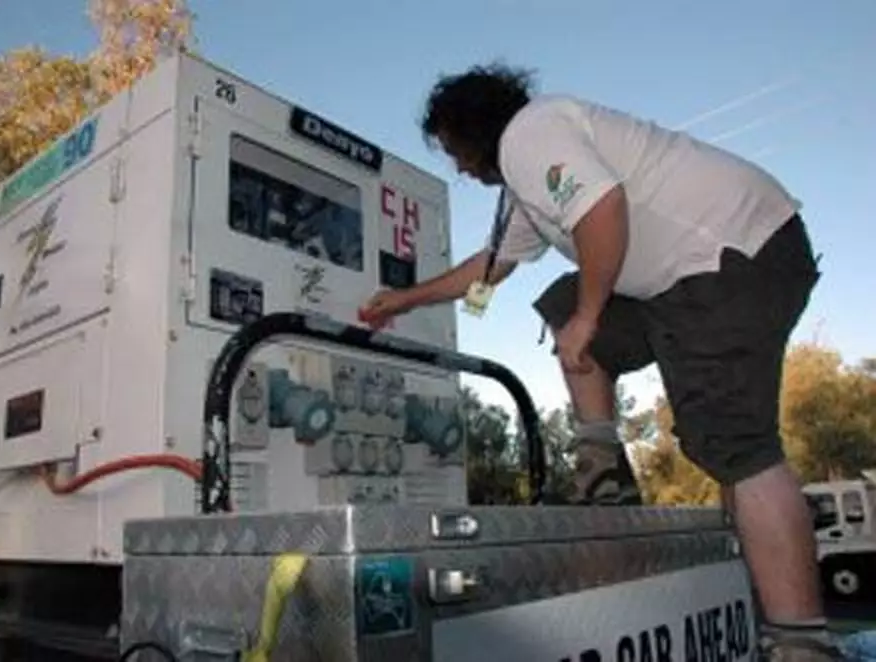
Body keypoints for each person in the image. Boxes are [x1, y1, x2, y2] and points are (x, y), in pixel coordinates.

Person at [359, 63, 839, 660]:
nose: (457, 167)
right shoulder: (526, 191)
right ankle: (602, 462)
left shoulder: (531, 134)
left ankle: (802, 642)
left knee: (735, 445)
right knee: (561, 305)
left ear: (472, 129)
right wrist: (401, 300)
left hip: (732, 255)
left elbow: (603, 210)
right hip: (687, 279)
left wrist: (591, 315)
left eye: (454, 150)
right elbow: (488, 273)